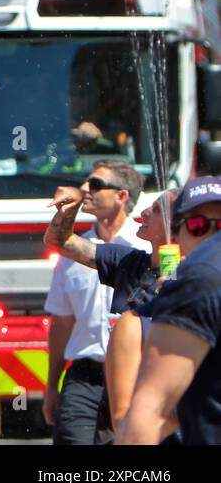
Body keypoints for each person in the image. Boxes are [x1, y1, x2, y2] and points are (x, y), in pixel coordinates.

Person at [46, 183, 175, 437]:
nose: (144, 212)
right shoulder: (126, 261)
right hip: (113, 410)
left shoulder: (201, 277)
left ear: (181, 225)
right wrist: (71, 209)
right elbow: (58, 241)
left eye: (158, 209)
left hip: (166, 410)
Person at [118, 177, 221, 445]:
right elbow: (150, 408)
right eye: (199, 226)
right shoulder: (198, 282)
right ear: (174, 237)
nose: (212, 237)